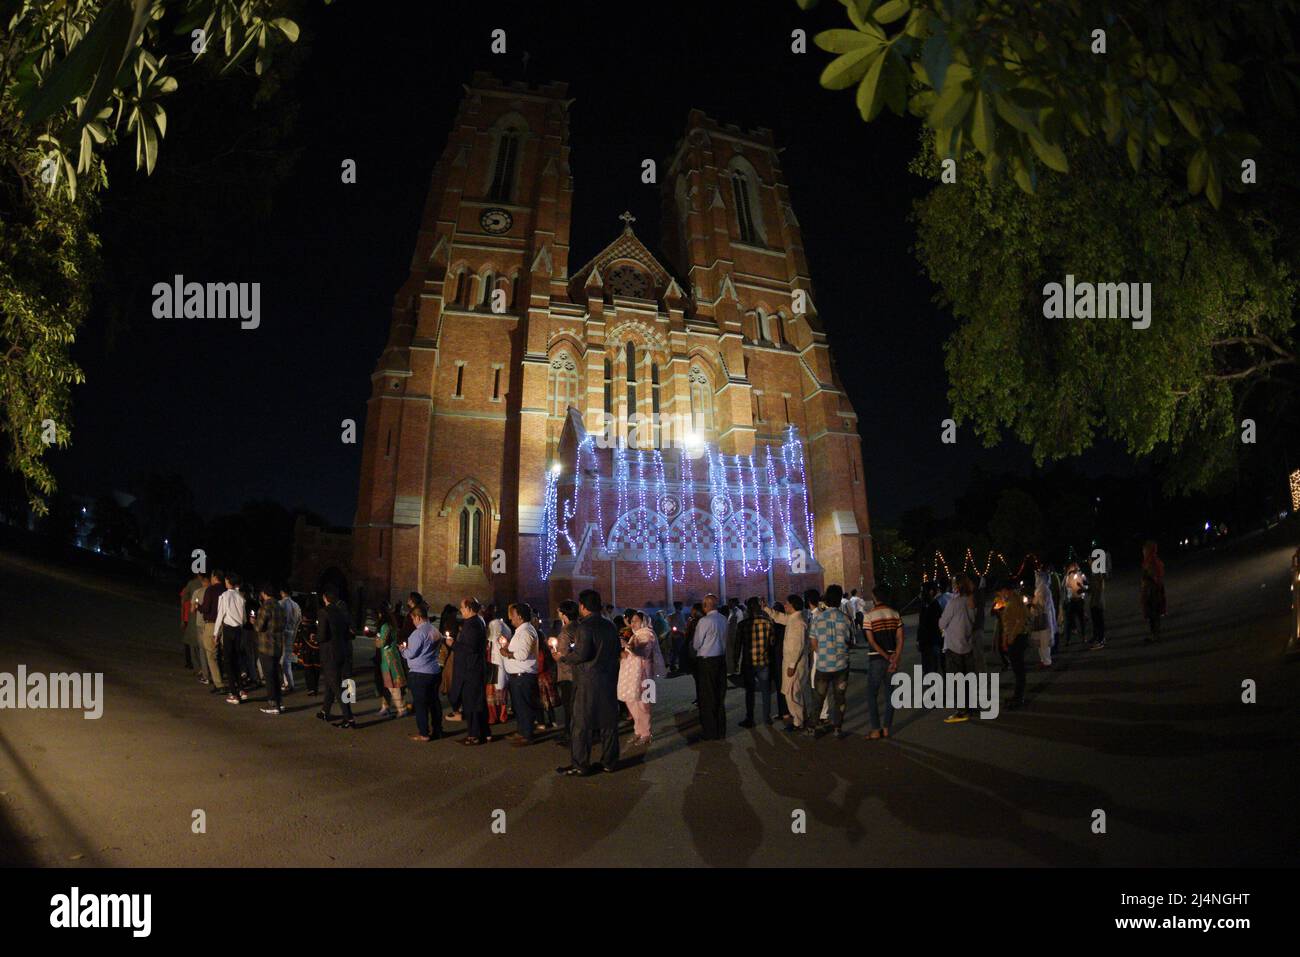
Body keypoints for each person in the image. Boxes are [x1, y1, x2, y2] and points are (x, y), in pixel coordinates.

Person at [556, 589, 621, 776]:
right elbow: (616, 649)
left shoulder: (585, 627)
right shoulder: (609, 625)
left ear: (583, 606)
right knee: (608, 723)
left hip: (587, 680)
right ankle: (609, 761)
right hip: (608, 679)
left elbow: (582, 654)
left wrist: (563, 657)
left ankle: (580, 764)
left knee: (581, 724)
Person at [808, 584, 854, 739]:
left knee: (818, 698)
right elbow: (850, 641)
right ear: (840, 599)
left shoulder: (818, 618)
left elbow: (813, 643)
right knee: (839, 698)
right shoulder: (846, 619)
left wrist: (823, 653)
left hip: (823, 665)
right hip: (841, 665)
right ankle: (837, 728)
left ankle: (813, 728)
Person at [862, 585, 904, 739]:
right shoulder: (895, 614)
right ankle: (886, 728)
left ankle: (875, 729)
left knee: (872, 694)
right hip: (892, 658)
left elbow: (871, 641)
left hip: (876, 659)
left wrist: (885, 656)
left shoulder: (869, 616)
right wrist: (895, 657)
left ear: (874, 597)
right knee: (890, 694)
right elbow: (900, 638)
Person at [449, 597, 490, 744]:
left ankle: (474, 736)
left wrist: (453, 644)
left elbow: (470, 648)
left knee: (471, 704)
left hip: (471, 670)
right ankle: (484, 733)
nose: (461, 610)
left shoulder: (472, 624)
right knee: (477, 702)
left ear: (469, 609)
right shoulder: (476, 622)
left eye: (462, 607)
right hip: (473, 668)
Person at [617, 610, 661, 746]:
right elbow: (628, 654)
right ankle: (638, 730)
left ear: (644, 621)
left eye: (636, 621)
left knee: (643, 705)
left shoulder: (648, 634)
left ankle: (646, 733)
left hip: (644, 675)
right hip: (631, 674)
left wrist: (627, 646)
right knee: (632, 702)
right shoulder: (635, 635)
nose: (633, 624)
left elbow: (643, 652)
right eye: (632, 621)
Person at [765, 595, 808, 732]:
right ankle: (800, 719)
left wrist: (792, 665)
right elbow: (780, 617)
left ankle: (798, 722)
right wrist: (766, 608)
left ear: (793, 605)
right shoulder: (793, 618)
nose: (785, 606)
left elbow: (798, 646)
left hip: (794, 665)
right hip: (791, 663)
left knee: (792, 694)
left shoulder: (798, 622)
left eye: (787, 604)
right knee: (793, 693)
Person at [400, 604, 442, 741]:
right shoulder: (435, 630)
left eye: (413, 619)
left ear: (418, 617)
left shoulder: (418, 633)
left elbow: (411, 654)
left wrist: (403, 650)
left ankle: (424, 733)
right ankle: (438, 729)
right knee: (434, 702)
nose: (413, 622)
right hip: (434, 670)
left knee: (421, 704)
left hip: (420, 673)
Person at [502, 602, 541, 747]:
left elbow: (523, 654)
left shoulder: (526, 632)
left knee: (524, 707)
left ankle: (527, 735)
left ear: (519, 616)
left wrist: (507, 653)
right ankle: (522, 731)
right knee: (519, 706)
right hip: (518, 676)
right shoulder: (521, 630)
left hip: (523, 676)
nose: (510, 618)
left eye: (512, 615)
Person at [316, 589, 356, 729]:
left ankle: (349, 717)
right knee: (332, 683)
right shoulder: (342, 611)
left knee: (336, 685)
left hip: (330, 653)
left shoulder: (324, 612)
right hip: (342, 650)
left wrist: (315, 637)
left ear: (325, 598)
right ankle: (325, 711)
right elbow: (349, 631)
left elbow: (322, 636)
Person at [691, 594, 729, 741]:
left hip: (707, 661)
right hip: (720, 659)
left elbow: (697, 644)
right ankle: (721, 729)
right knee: (719, 695)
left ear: (706, 605)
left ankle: (710, 731)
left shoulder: (704, 621)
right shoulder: (723, 619)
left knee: (707, 697)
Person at [939, 576, 976, 723]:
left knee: (956, 680)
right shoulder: (970, 601)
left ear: (957, 586)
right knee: (967, 678)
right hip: (967, 643)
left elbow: (942, 623)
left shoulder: (954, 603)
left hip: (954, 645)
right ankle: (970, 706)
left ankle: (961, 711)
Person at [736, 598, 774, 727]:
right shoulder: (768, 622)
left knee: (749, 692)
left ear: (749, 609)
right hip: (764, 662)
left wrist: (735, 661)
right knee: (765, 691)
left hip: (748, 663)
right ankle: (767, 717)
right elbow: (772, 642)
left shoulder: (742, 624)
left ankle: (750, 718)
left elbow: (737, 645)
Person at [994, 579, 1030, 709]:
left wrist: (1011, 637)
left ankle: (1019, 698)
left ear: (1005, 590)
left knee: (1019, 669)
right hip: (1014, 638)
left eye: (1000, 592)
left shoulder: (1015, 601)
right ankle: (1017, 695)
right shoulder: (1011, 600)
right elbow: (1008, 622)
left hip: (1017, 638)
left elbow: (1020, 620)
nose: (1000, 595)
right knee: (1017, 669)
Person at [215, 573, 249, 704]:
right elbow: (244, 618)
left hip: (228, 629)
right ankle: (241, 690)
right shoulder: (240, 597)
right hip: (239, 630)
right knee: (236, 660)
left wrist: (216, 633)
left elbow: (220, 615)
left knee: (228, 661)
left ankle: (234, 694)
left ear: (229, 582)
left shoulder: (224, 596)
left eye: (226, 581)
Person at [255, 584, 286, 715]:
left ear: (264, 593)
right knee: (276, 674)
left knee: (269, 676)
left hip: (266, 645)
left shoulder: (265, 606)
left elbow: (259, 627)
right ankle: (279, 702)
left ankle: (273, 704)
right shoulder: (280, 606)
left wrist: (253, 621)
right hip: (278, 645)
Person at [554, 601, 580, 746]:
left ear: (564, 614)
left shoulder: (565, 632)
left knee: (569, 706)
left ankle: (570, 734)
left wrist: (555, 655)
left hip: (567, 674)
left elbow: (563, 655)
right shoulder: (580, 627)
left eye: (559, 612)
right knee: (577, 705)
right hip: (579, 673)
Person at [376, 605, 408, 718]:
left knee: (393, 684)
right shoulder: (392, 625)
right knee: (390, 684)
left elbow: (381, 643)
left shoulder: (385, 626)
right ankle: (387, 706)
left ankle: (401, 708)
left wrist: (377, 639)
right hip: (392, 656)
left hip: (388, 659)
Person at [198, 569, 226, 693]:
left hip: (212, 624)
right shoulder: (225, 591)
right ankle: (229, 681)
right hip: (225, 625)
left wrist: (198, 606)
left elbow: (206, 608)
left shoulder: (211, 590)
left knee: (211, 655)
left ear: (214, 577)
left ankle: (219, 684)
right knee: (223, 654)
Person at [485, 607, 510, 726]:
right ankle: (493, 716)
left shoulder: (501, 641)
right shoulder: (490, 641)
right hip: (491, 667)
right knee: (491, 693)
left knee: (500, 693)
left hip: (498, 667)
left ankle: (500, 715)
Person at [1140, 541, 1166, 643]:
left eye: (1145, 550)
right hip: (1151, 590)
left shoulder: (1152, 562)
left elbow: (1154, 577)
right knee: (1153, 614)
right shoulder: (1151, 561)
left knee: (1154, 613)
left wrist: (1148, 578)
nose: (1143, 552)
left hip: (1152, 591)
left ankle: (1155, 635)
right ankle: (1154, 634)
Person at [439, 602, 462, 719]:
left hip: (451, 657)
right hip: (451, 656)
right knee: (452, 683)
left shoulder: (448, 623)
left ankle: (457, 710)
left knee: (450, 684)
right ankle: (458, 709)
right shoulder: (452, 623)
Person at [1030, 569, 1056, 669]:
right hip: (1039, 618)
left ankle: (1047, 662)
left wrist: (1031, 603)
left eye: (1038, 578)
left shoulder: (1043, 589)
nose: (1036, 580)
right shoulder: (1039, 589)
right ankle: (1043, 660)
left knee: (1044, 641)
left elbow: (1042, 607)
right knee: (1041, 641)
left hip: (1044, 619)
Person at [916, 582, 943, 676]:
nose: (920, 594)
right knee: (930, 666)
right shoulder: (926, 605)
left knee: (932, 665)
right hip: (928, 641)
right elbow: (922, 624)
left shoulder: (933, 605)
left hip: (932, 641)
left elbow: (924, 624)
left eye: (923, 591)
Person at [279, 587, 301, 692]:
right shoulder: (296, 605)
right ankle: (288, 682)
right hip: (292, 632)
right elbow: (299, 620)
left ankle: (288, 682)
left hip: (282, 633)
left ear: (282, 592)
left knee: (283, 660)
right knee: (287, 659)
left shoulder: (280, 604)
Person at [1062, 562, 1088, 647]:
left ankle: (1084, 637)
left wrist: (1082, 588)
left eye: (1076, 567)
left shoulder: (1082, 575)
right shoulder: (1068, 577)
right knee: (1069, 622)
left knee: (1081, 620)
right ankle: (1067, 639)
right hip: (1071, 602)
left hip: (1079, 600)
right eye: (1073, 567)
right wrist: (1067, 599)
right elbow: (1065, 587)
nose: (1075, 569)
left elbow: (1087, 586)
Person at [1087, 569, 1107, 650]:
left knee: (1099, 622)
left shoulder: (1098, 575)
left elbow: (1099, 588)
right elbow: (1092, 588)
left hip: (1098, 603)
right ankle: (1097, 637)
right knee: (1096, 622)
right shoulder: (1094, 575)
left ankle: (1101, 641)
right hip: (1094, 602)